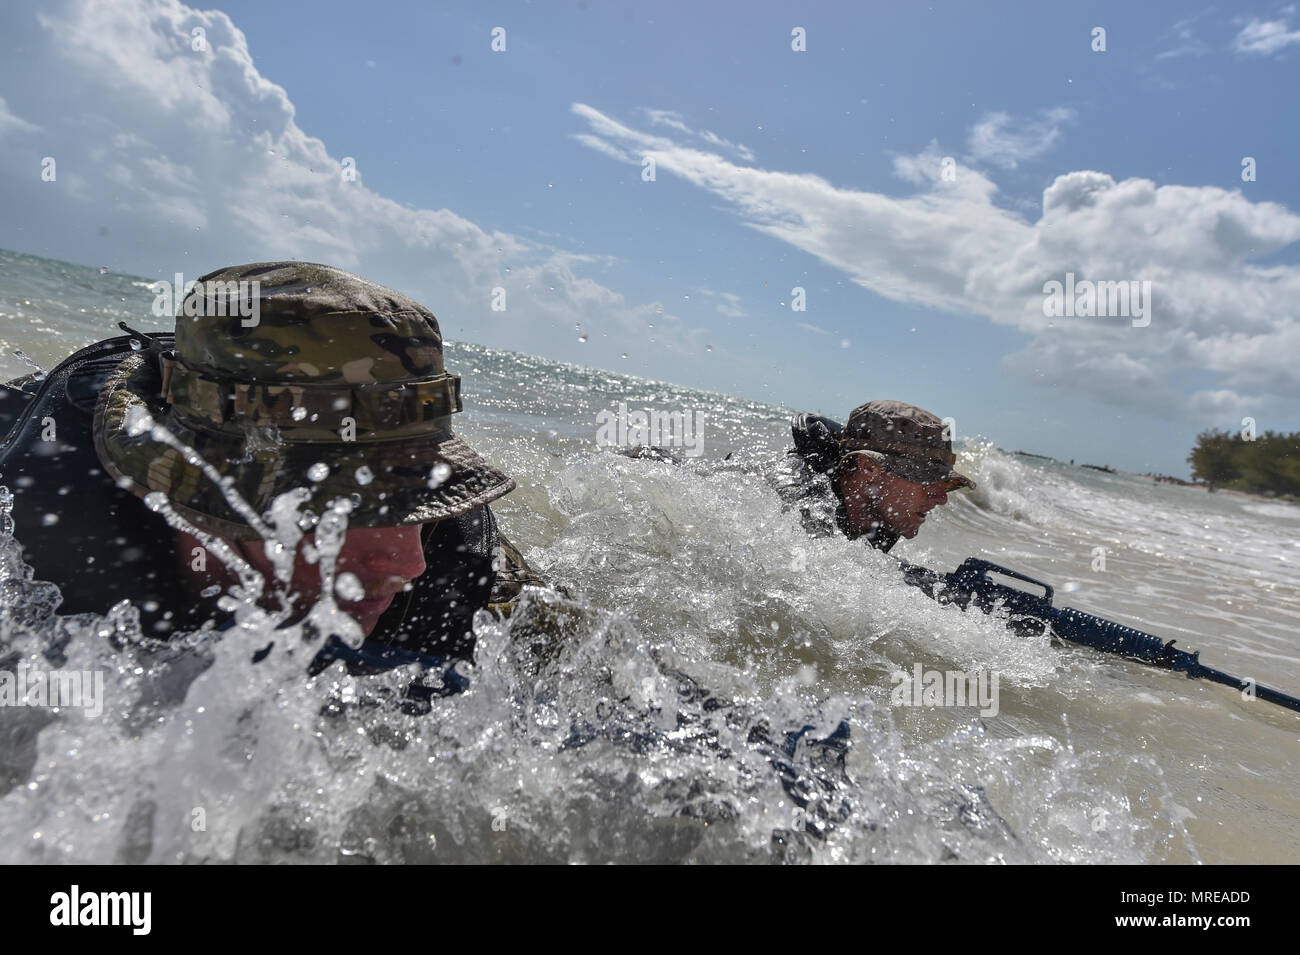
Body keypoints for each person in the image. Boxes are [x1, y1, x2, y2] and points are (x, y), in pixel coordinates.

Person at [0, 262, 542, 677]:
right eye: (347, 508)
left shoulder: (455, 553)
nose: (407, 562)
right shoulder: (42, 532)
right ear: (202, 510)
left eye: (420, 502)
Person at [782, 399, 975, 552]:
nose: (942, 498)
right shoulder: (788, 502)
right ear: (868, 467)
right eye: (927, 478)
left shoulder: (884, 514)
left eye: (944, 481)